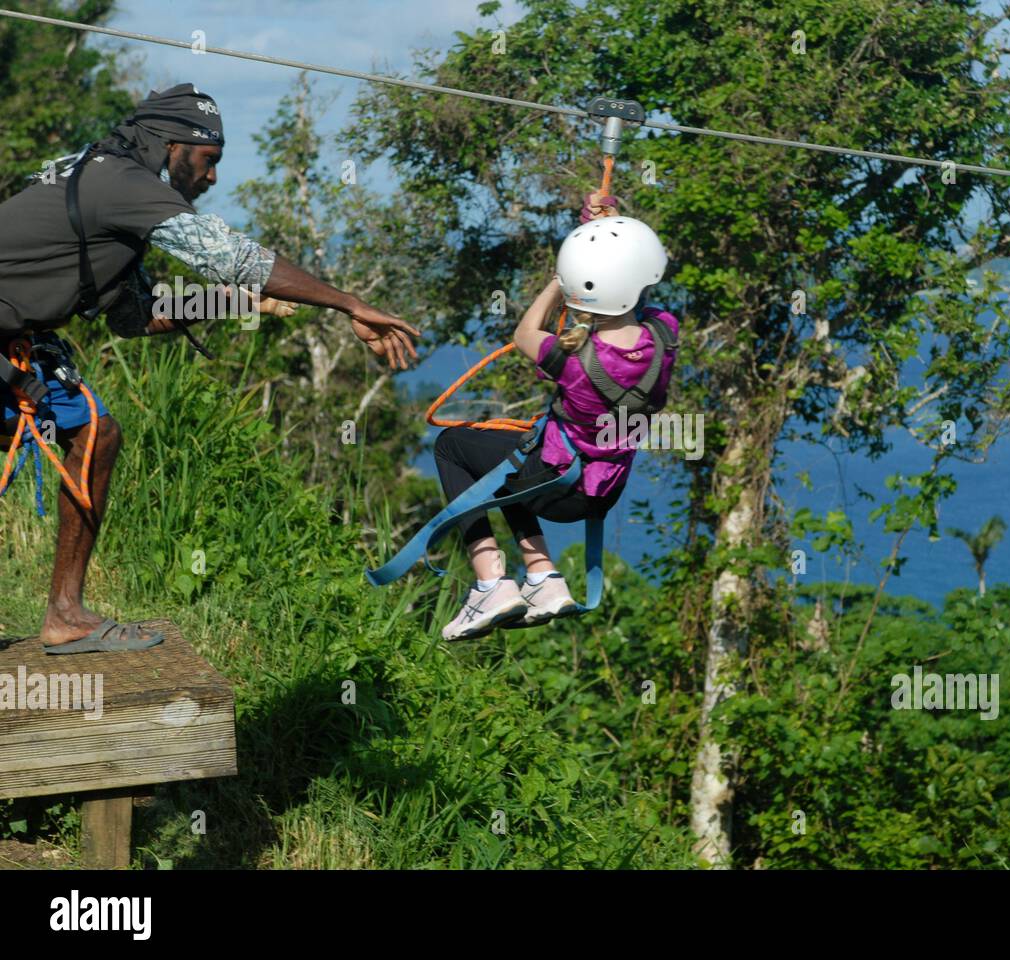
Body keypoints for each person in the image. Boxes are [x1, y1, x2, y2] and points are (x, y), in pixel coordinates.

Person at [0, 83, 420, 654]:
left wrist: (236, 301)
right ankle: (65, 614)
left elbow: (135, 317)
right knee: (93, 433)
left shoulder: (114, 181)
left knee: (95, 435)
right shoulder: (124, 183)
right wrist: (349, 302)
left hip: (16, 343)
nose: (212, 177)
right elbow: (239, 258)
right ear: (173, 146)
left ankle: (65, 615)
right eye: (209, 160)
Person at [433, 193, 677, 640]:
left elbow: (525, 331)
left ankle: (489, 581)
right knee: (512, 463)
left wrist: (561, 279)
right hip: (601, 492)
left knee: (453, 447)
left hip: (555, 487)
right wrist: (610, 233)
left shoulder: (571, 356)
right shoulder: (665, 336)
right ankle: (543, 578)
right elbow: (638, 292)